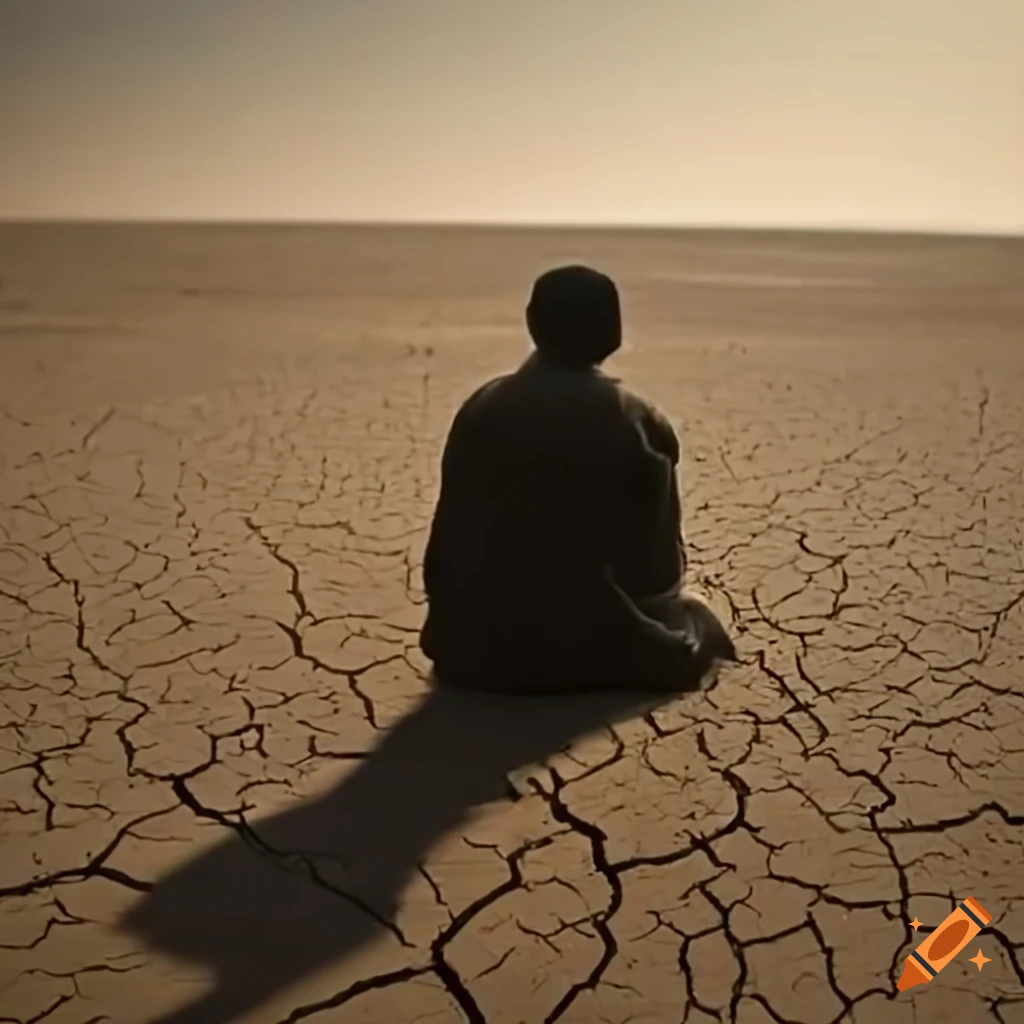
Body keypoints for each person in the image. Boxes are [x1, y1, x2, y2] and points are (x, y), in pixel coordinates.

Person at [420, 264, 735, 693]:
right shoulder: (632, 418)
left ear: (532, 321)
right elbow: (635, 559)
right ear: (614, 330)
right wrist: (667, 641)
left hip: (462, 649)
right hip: (566, 657)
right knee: (699, 618)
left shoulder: (480, 405)